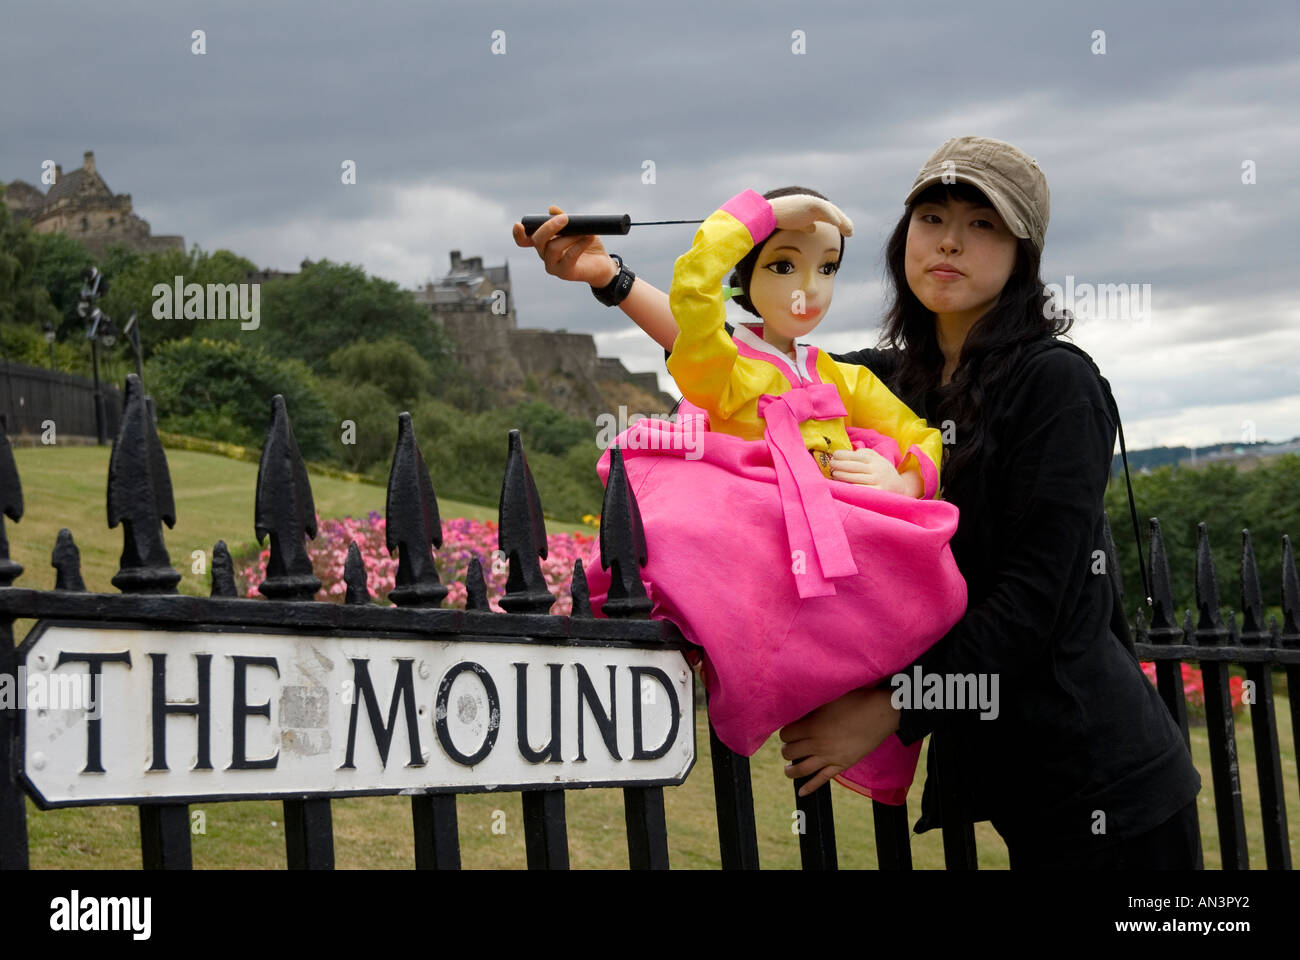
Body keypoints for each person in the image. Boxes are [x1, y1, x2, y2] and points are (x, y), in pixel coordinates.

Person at [512, 136, 1202, 868]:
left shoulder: (1055, 384)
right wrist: (609, 278)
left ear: (1022, 253)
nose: (951, 243)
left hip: (1102, 772)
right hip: (1006, 775)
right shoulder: (892, 381)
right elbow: (738, 359)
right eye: (933, 218)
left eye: (983, 224)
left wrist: (891, 706)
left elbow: (1036, 597)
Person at [534, 185, 970, 806]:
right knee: (694, 535)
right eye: (783, 264)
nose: (808, 288)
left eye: (827, 268)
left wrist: (903, 479)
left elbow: (921, 435)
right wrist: (745, 219)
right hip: (763, 534)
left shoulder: (845, 376)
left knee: (928, 573)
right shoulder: (728, 366)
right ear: (744, 275)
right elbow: (692, 302)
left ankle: (839, 683)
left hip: (834, 545)